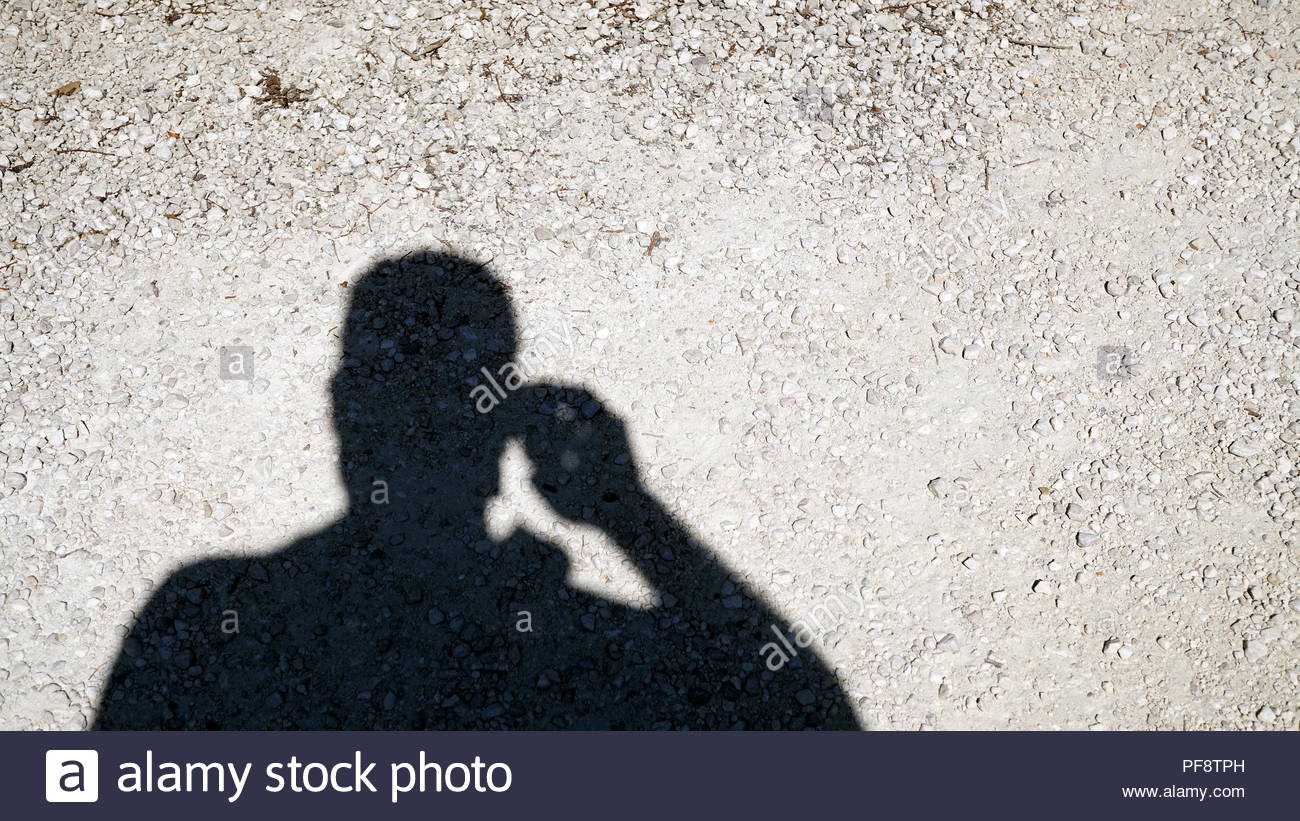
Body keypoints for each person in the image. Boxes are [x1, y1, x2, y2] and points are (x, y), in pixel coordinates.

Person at [94, 250, 858, 729]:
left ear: (344, 410)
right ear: (503, 427)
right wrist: (630, 514)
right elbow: (816, 732)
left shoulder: (208, 616)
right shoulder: (584, 650)